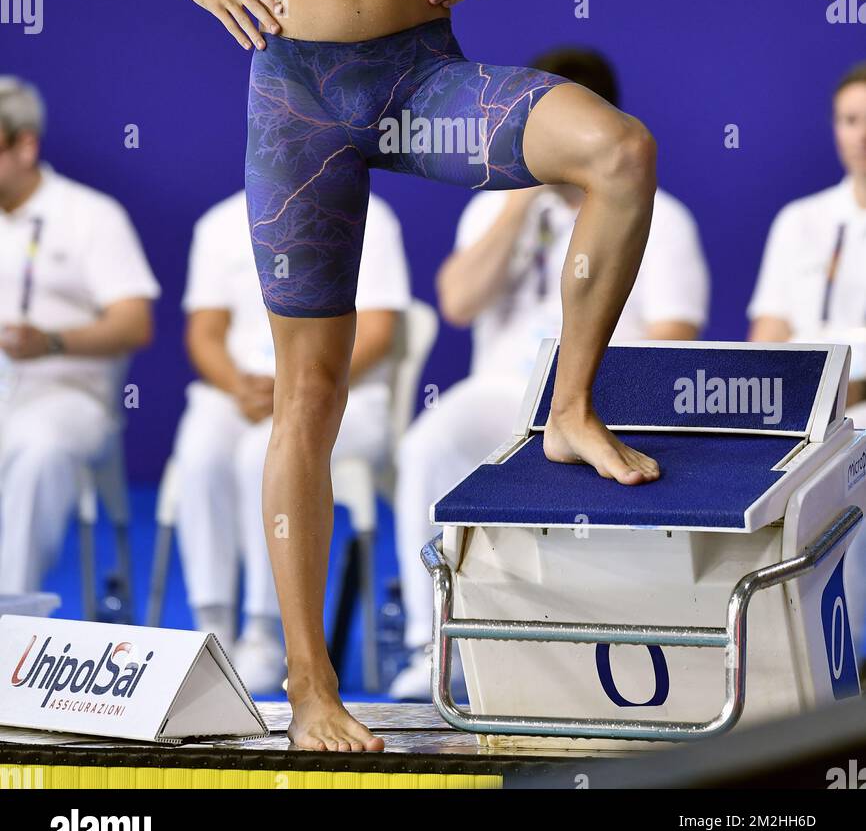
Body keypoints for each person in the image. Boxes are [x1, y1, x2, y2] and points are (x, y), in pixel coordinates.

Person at [36, 0, 659, 751]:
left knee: (620, 153)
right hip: (301, 99)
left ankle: (570, 404)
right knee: (306, 402)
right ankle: (312, 690)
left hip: (421, 73)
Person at [391, 48, 709, 699]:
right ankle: (435, 642)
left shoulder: (662, 215)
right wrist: (518, 202)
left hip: (604, 393)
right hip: (501, 392)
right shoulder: (495, 206)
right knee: (428, 444)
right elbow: (455, 302)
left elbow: (677, 335)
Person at [174, 187, 410, 694]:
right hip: (245, 391)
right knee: (200, 452)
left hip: (339, 393)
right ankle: (210, 628)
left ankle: (264, 633)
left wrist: (299, 387)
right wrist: (239, 385)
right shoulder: (219, 221)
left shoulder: (370, 215)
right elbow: (205, 332)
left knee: (259, 453)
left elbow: (378, 329)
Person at [0, 77, 159, 593]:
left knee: (38, 448)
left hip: (68, 395)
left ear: (25, 145)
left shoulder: (91, 216)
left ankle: (9, 619)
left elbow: (135, 323)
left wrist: (50, 342)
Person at [747, 59, 866, 658]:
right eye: (850, 120)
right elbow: (768, 332)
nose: (862, 135)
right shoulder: (801, 221)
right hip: (802, 404)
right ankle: (778, 647)